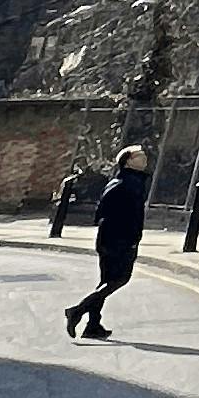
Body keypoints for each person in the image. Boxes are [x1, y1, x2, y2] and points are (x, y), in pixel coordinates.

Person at [64, 146, 150, 340]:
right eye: (139, 156)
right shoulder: (129, 183)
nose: (144, 158)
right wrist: (132, 239)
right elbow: (130, 216)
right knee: (119, 279)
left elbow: (100, 212)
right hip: (119, 239)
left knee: (106, 281)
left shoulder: (121, 181)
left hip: (108, 237)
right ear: (128, 162)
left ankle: (93, 326)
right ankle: (77, 311)